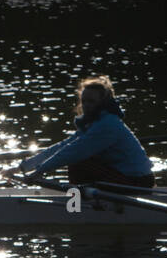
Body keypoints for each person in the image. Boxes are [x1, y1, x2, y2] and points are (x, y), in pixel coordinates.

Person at [19, 75, 154, 187]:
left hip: (138, 181)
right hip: (122, 176)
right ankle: (84, 202)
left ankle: (79, 208)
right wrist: (23, 167)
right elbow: (63, 146)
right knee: (79, 161)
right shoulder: (93, 123)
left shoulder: (108, 125)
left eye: (91, 101)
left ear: (103, 103)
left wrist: (39, 171)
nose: (86, 106)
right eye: (84, 101)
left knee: (78, 163)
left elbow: (74, 151)